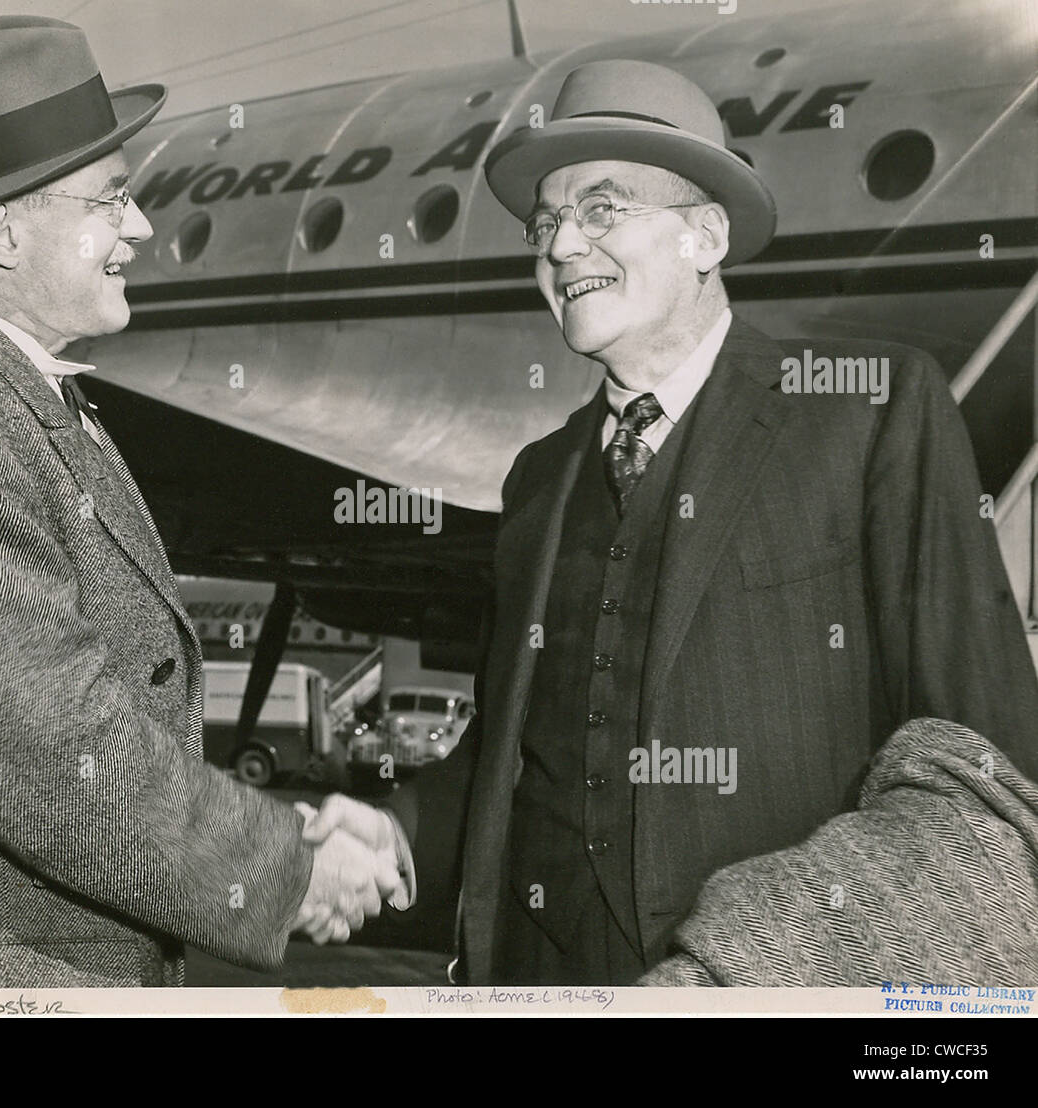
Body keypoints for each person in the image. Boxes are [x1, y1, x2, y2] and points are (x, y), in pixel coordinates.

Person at [305, 59, 1038, 986]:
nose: (561, 245)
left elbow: (982, 771)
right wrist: (394, 827)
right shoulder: (539, 480)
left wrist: (750, 972)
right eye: (547, 223)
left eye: (602, 210)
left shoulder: (872, 411)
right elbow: (511, 763)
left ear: (706, 237)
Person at [0, 15, 404, 989]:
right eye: (111, 199)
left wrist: (301, 824)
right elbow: (46, 741)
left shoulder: (6, 390)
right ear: (2, 227)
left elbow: (92, 716)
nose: (140, 227)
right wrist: (288, 863)